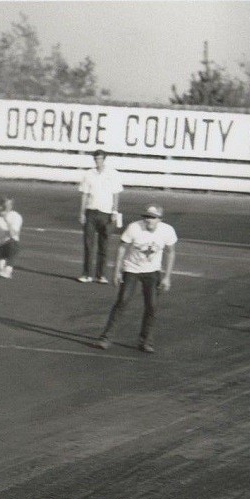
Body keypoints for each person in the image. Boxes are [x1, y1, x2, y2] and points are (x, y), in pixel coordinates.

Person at [97, 204, 177, 354]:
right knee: (122, 301)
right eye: (146, 217)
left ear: (160, 219)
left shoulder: (167, 231)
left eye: (153, 218)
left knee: (151, 306)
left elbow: (171, 252)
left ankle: (146, 341)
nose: (149, 220)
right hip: (131, 269)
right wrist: (116, 271)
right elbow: (122, 247)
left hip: (152, 271)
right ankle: (106, 338)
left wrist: (167, 277)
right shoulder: (134, 228)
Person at [78, 149, 123, 283]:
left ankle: (101, 275)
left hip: (106, 212)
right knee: (88, 244)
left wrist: (115, 211)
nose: (98, 161)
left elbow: (116, 194)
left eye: (100, 159)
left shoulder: (113, 174)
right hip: (91, 211)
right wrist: (81, 212)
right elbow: (84, 194)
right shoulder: (88, 174)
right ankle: (87, 274)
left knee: (104, 244)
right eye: (96, 159)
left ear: (104, 159)